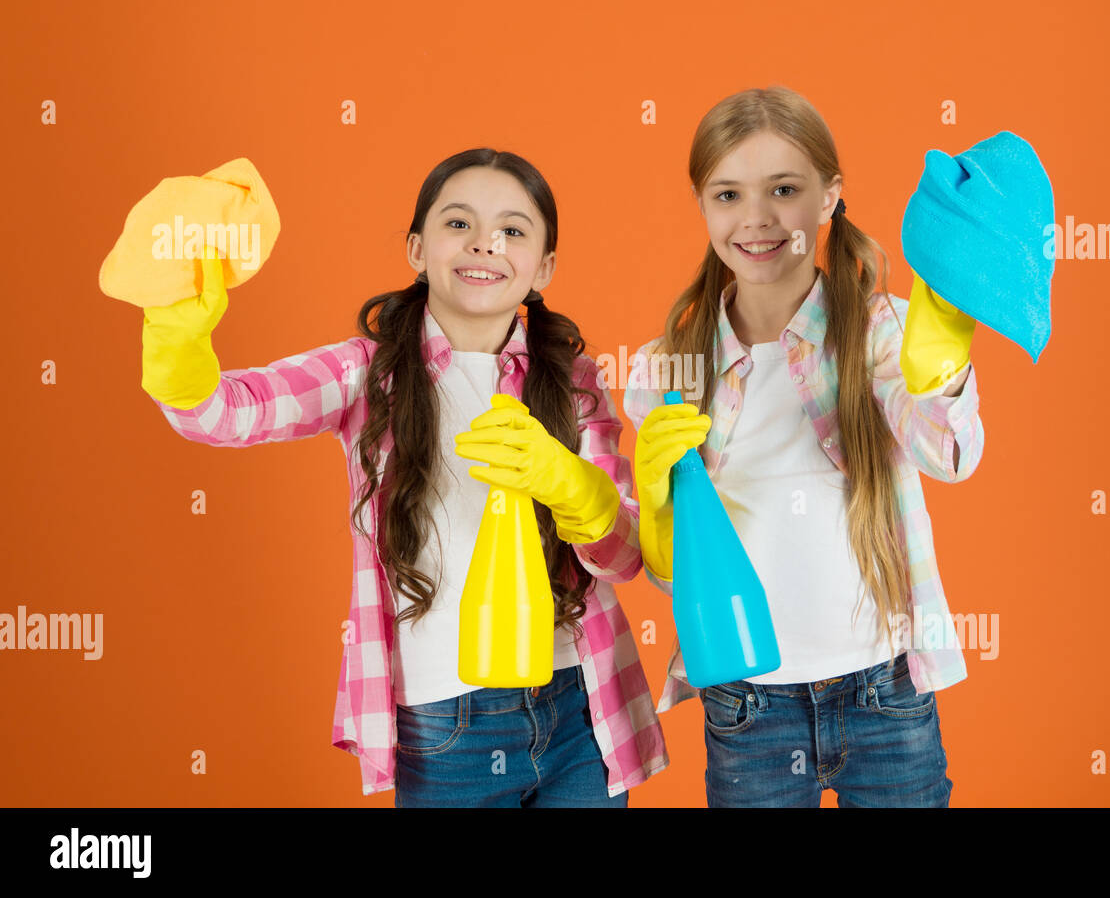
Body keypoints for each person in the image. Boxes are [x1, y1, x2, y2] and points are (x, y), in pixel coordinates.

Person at [139, 148, 666, 806]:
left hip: (579, 709)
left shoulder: (577, 383)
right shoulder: (366, 371)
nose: (485, 244)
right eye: (458, 223)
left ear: (544, 266)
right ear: (417, 247)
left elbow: (622, 559)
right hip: (445, 723)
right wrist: (176, 343)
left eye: (513, 229)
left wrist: (572, 484)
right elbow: (224, 414)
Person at [624, 86, 984, 807]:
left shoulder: (882, 330)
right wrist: (656, 513)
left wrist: (942, 366)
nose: (755, 218)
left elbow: (951, 457)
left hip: (886, 693)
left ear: (829, 197)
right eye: (727, 193)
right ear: (702, 204)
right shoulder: (667, 368)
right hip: (747, 707)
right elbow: (674, 576)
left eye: (783, 189)